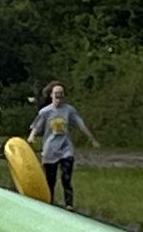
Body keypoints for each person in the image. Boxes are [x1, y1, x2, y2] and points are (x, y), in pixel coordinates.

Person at [26, 81, 99, 210]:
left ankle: (69, 203)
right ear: (51, 95)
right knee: (50, 179)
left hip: (66, 148)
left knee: (66, 177)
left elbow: (80, 125)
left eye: (61, 94)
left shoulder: (69, 110)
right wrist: (31, 137)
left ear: (64, 95)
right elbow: (36, 126)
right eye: (56, 94)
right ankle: (49, 201)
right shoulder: (45, 112)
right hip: (50, 149)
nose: (58, 96)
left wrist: (92, 139)